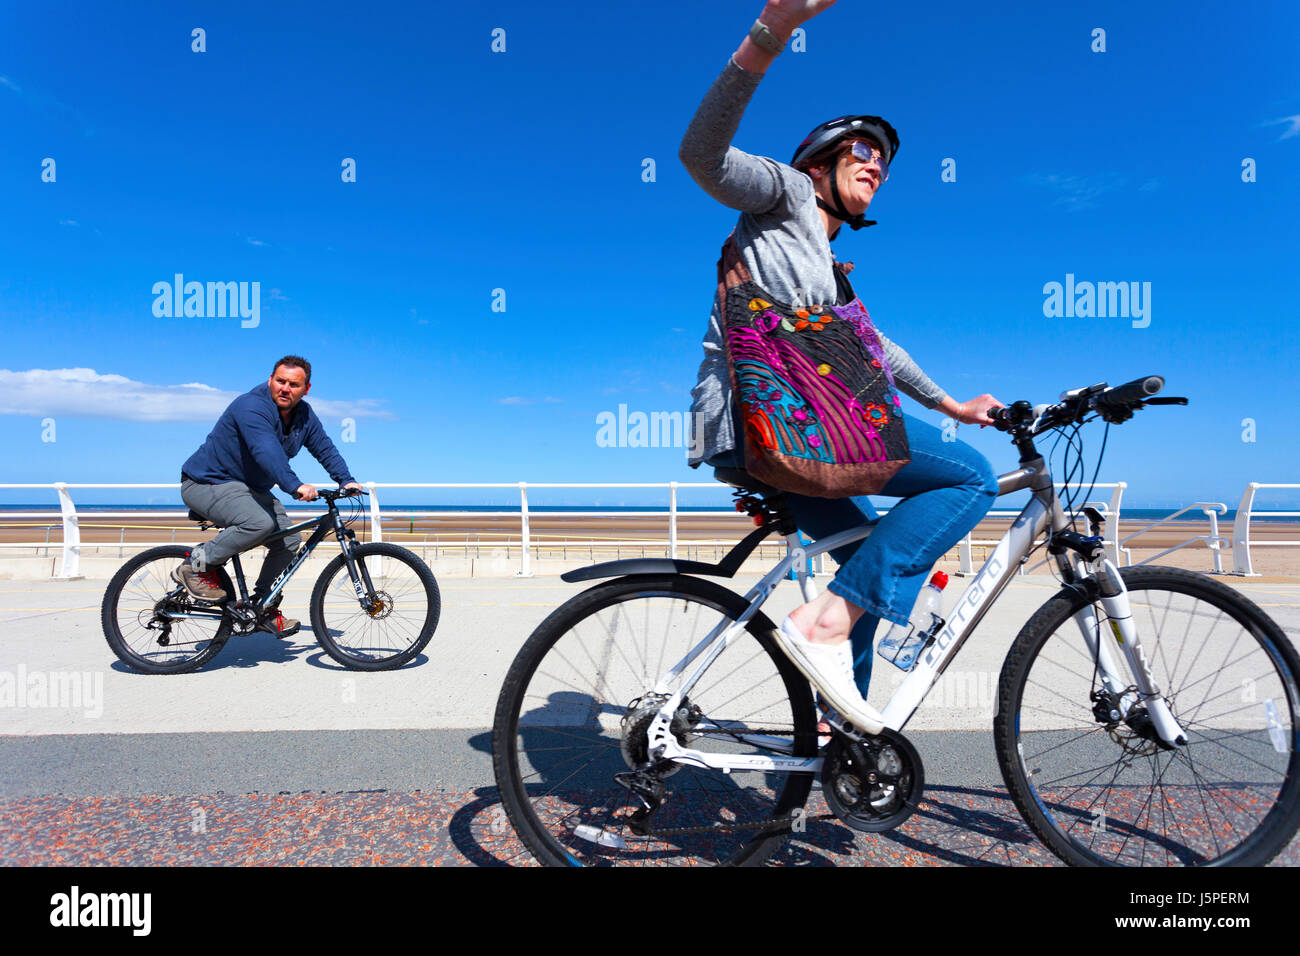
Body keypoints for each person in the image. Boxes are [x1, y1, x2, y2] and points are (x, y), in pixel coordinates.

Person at [679, 0, 1003, 732]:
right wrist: (773, 32)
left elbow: (878, 350)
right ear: (819, 164)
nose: (879, 168)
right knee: (970, 478)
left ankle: (835, 727)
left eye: (884, 164)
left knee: (864, 554)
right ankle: (822, 628)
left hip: (776, 421)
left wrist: (952, 406)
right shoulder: (784, 195)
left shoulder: (828, 267)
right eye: (864, 154)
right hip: (772, 411)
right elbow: (700, 155)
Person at [173, 355, 363, 637]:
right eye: (280, 381)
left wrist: (346, 479)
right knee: (258, 523)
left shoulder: (304, 415)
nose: (285, 388)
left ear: (306, 389)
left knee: (288, 540)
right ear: (270, 379)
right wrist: (294, 485)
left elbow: (324, 447)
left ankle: (262, 605)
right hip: (207, 483)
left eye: (293, 384)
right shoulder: (251, 406)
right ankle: (195, 565)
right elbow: (266, 451)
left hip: (249, 489)